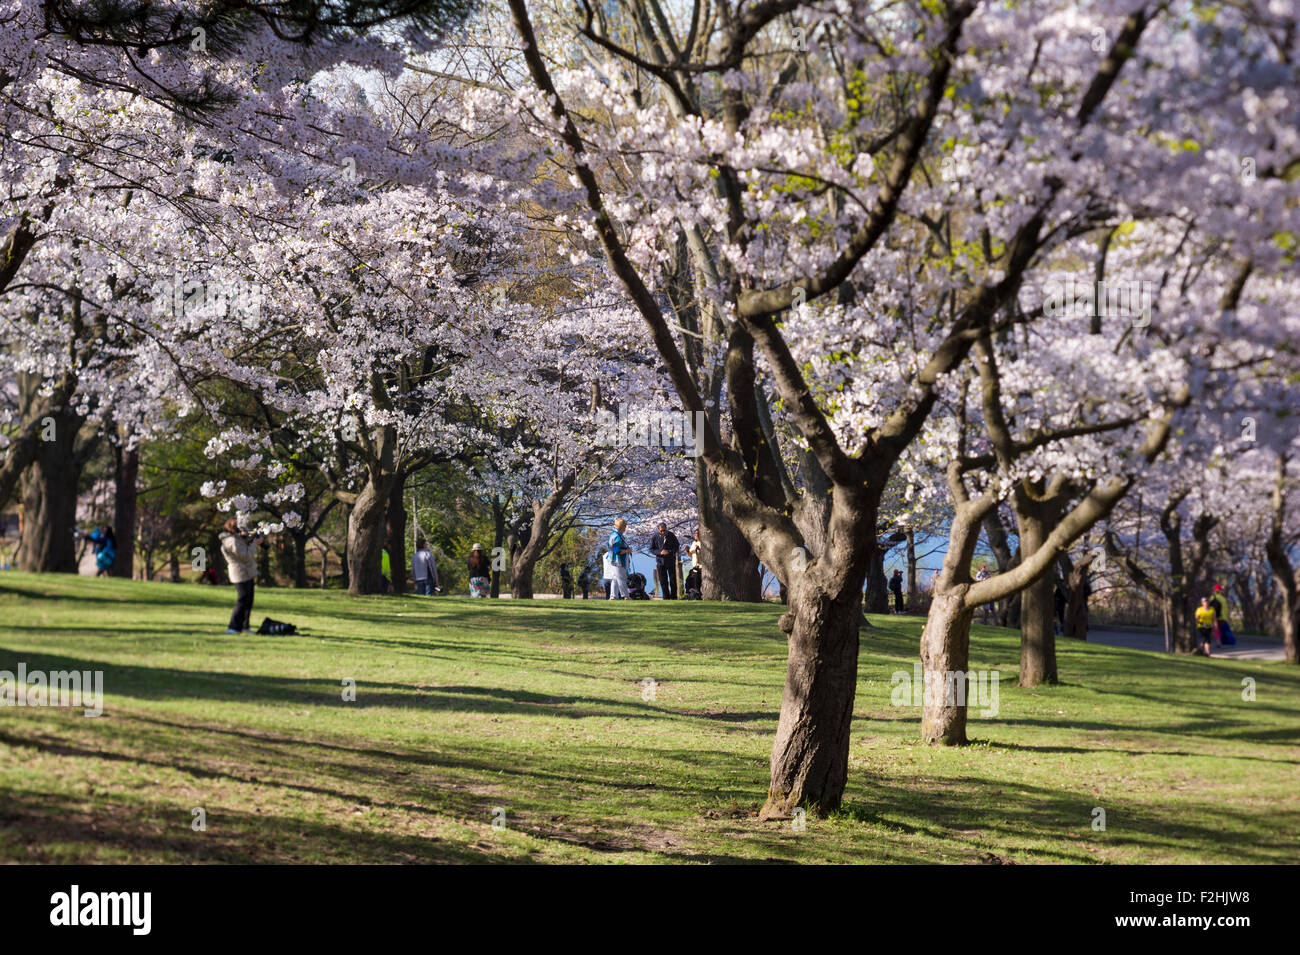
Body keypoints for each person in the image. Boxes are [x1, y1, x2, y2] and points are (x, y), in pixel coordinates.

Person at [219, 518, 259, 634]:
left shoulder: (236, 539)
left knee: (249, 600)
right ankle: (233, 626)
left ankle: (244, 626)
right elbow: (245, 555)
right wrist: (254, 544)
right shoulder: (231, 540)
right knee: (242, 599)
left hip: (247, 572)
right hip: (240, 573)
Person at [649, 522, 680, 600]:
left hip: (670, 561)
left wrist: (669, 551)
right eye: (661, 531)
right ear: (658, 530)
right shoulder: (654, 537)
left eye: (664, 530)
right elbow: (651, 549)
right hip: (660, 562)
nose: (663, 532)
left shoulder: (671, 535)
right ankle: (666, 597)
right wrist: (660, 552)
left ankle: (674, 597)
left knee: (673, 580)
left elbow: (677, 546)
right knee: (663, 581)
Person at [607, 519, 630, 600]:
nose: (625, 528)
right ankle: (626, 596)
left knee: (615, 579)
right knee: (621, 578)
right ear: (622, 527)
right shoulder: (617, 536)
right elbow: (617, 551)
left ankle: (613, 596)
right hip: (617, 561)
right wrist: (627, 550)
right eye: (625, 526)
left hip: (613, 560)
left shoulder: (615, 534)